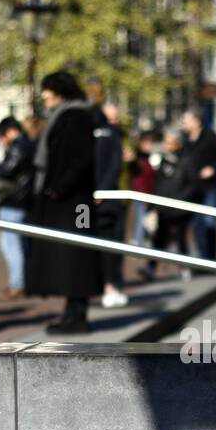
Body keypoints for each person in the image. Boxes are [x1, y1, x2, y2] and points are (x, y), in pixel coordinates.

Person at [26, 71, 101, 334]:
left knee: (75, 257)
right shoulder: (67, 115)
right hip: (66, 200)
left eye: (48, 91)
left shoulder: (76, 117)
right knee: (69, 258)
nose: (44, 97)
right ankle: (72, 312)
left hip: (72, 202)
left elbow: (81, 159)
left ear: (59, 92)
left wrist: (58, 188)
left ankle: (76, 315)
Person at [0, 115, 37, 301]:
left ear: (10, 131)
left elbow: (6, 171)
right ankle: (24, 282)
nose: (1, 140)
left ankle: (18, 284)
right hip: (24, 201)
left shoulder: (19, 146)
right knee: (21, 245)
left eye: (2, 136)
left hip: (13, 201)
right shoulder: (29, 145)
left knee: (11, 245)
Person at [144, 128, 198, 281]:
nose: (167, 145)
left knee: (180, 238)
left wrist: (181, 200)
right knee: (159, 239)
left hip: (180, 208)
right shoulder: (163, 160)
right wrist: (153, 204)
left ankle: (184, 268)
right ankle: (151, 267)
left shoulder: (187, 160)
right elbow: (158, 183)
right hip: (163, 207)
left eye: (170, 142)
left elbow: (193, 185)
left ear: (178, 143)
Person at [91, 101, 128, 308]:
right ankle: (108, 286)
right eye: (111, 118)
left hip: (105, 199)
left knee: (109, 242)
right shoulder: (112, 135)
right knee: (106, 243)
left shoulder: (108, 134)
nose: (114, 122)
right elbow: (114, 165)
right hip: (105, 198)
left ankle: (110, 285)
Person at [179, 109, 216, 260]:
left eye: (186, 120)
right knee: (196, 224)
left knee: (209, 221)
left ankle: (212, 258)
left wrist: (212, 169)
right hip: (194, 189)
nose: (184, 124)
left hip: (210, 187)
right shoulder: (186, 140)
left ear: (196, 121)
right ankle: (203, 258)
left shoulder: (209, 136)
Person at [125, 132, 157, 248]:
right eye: (147, 144)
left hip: (147, 194)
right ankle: (138, 242)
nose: (149, 146)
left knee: (146, 220)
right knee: (140, 219)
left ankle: (144, 241)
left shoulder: (149, 159)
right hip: (141, 195)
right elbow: (139, 179)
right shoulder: (139, 159)